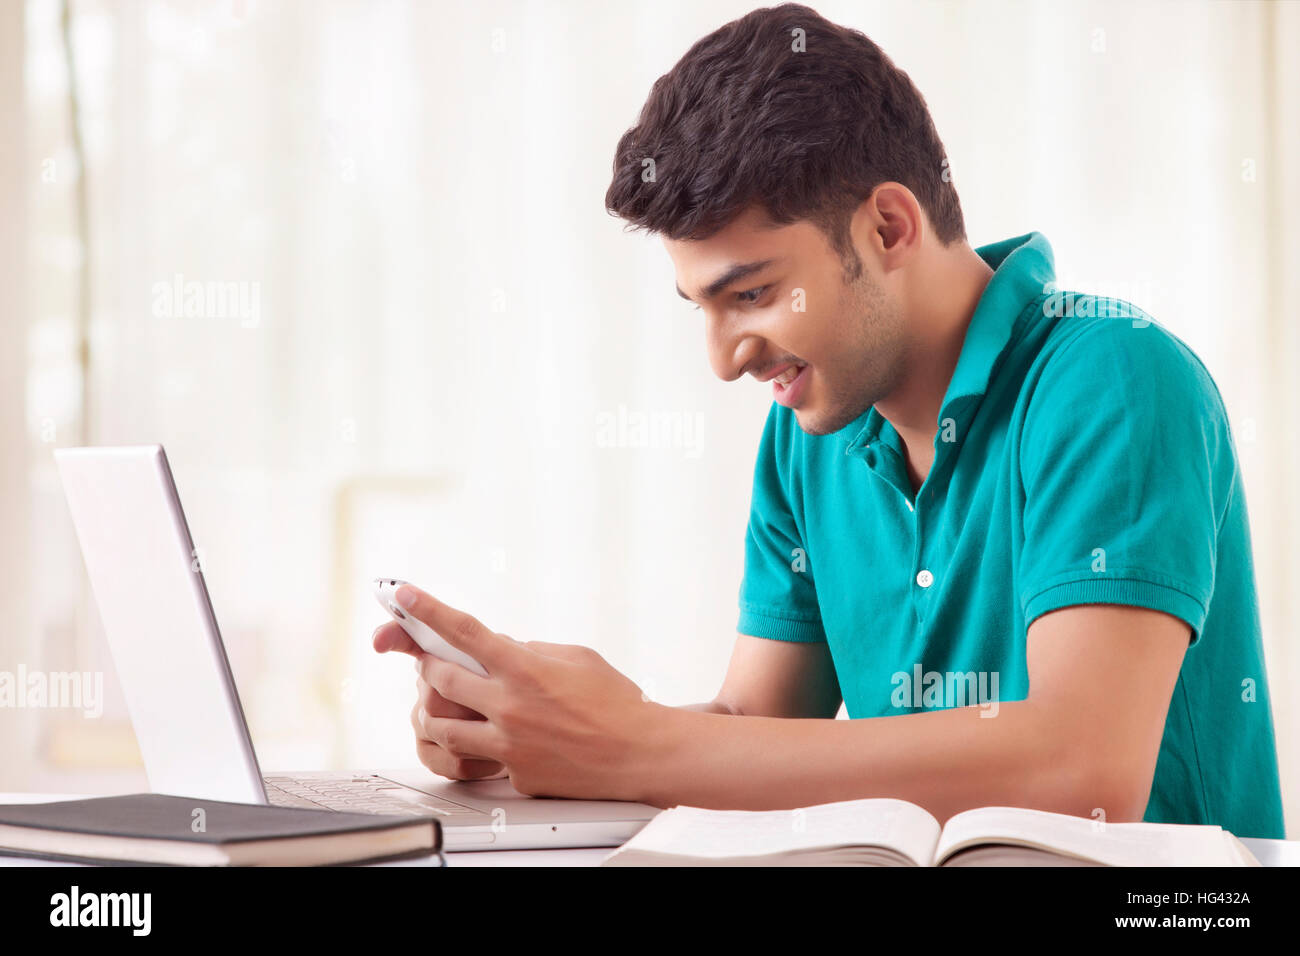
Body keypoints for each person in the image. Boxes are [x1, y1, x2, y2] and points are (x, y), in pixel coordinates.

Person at [374, 3, 1285, 838]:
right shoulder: (809, 433)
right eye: (703, 306)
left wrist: (636, 744)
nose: (725, 357)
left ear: (888, 228)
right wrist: (542, 736)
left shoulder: (1112, 375)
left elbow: (1081, 767)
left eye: (755, 293)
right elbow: (756, 734)